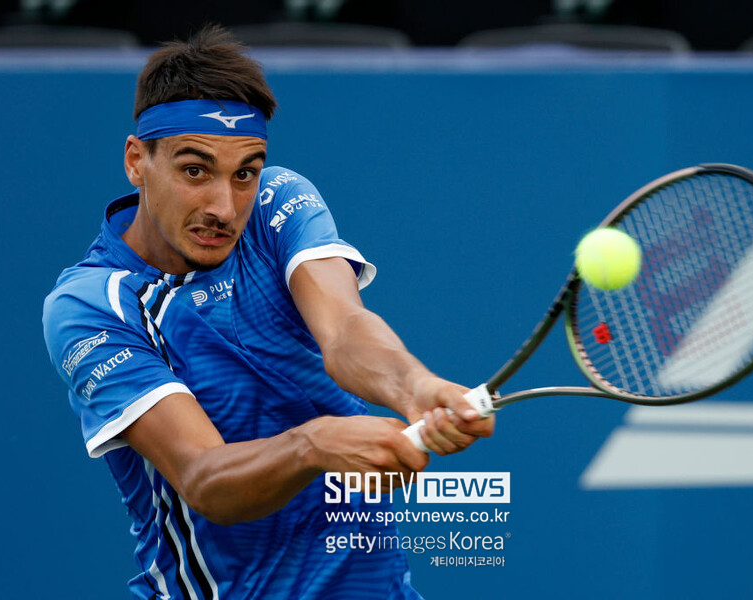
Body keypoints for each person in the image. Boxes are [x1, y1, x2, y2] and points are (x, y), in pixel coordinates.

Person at [42, 24, 493, 600]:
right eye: (194, 170)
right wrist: (314, 445)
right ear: (137, 161)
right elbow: (205, 478)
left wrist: (414, 385)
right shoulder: (91, 306)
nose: (224, 207)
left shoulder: (279, 202)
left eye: (244, 173)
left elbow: (345, 329)